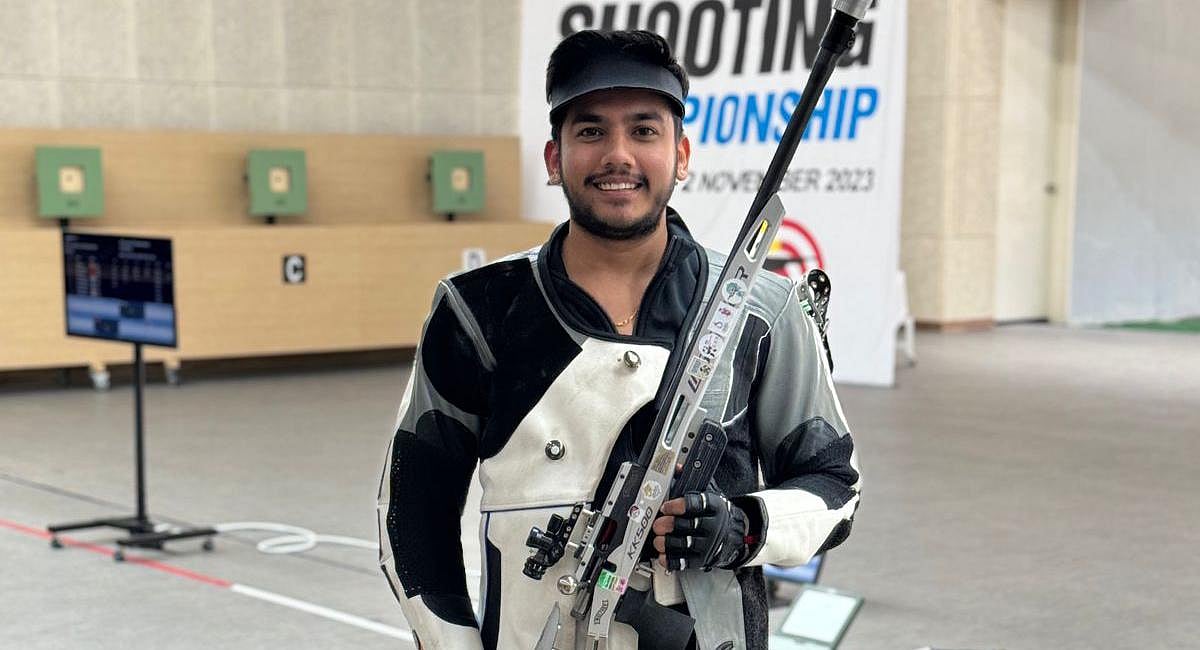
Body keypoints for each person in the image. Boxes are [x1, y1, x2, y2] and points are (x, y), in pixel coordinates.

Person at [378, 29, 861, 650]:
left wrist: (745, 527)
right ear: (554, 160)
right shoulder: (476, 310)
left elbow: (835, 484)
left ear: (681, 156)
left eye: (643, 130)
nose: (618, 155)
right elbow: (413, 513)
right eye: (590, 131)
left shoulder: (765, 309)